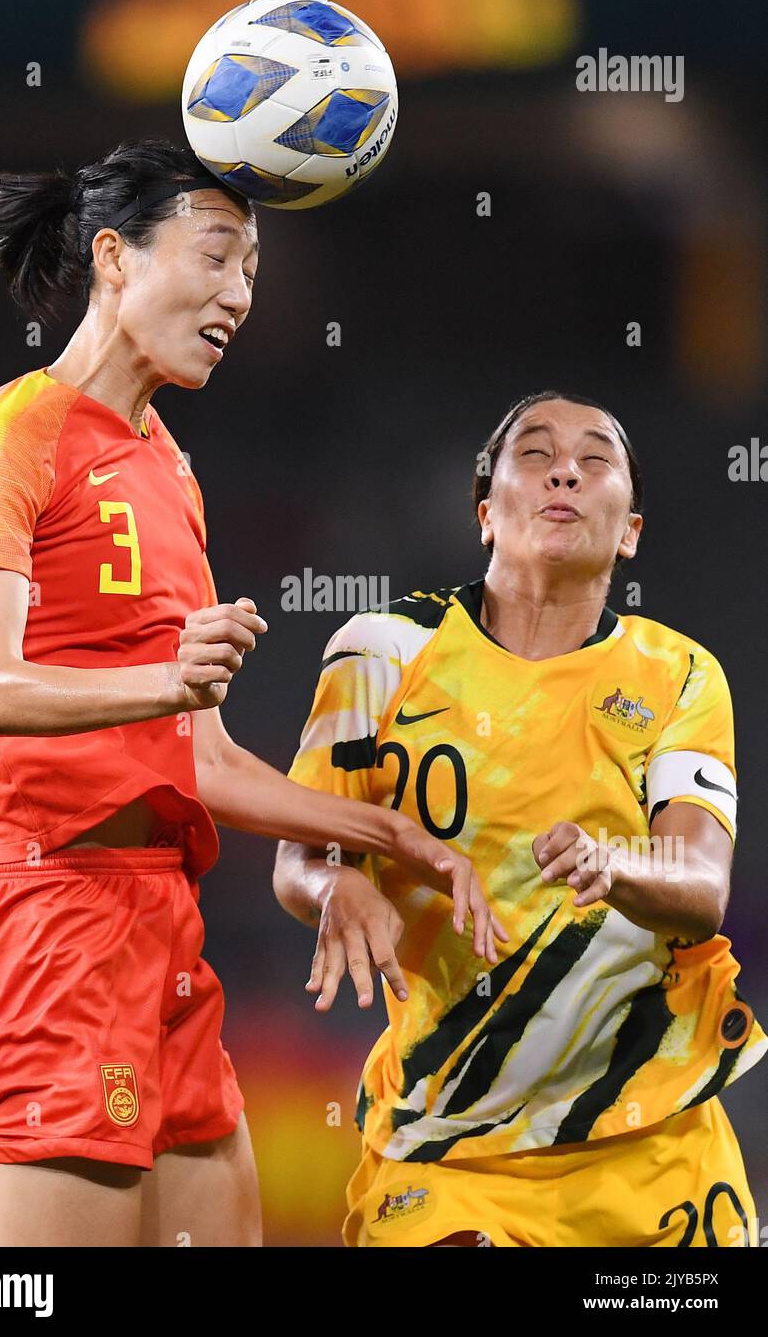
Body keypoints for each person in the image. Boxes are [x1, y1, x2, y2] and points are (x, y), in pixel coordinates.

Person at [0, 139, 493, 1248]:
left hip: (163, 928)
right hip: (51, 925)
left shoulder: (169, 468)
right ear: (115, 258)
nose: (236, 295)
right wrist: (162, 680)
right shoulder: (6, 439)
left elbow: (209, 759)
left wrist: (396, 840)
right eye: (218, 255)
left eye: (254, 275)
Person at [275, 390, 767, 1248]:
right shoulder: (379, 655)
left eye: (596, 458)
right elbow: (297, 859)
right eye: (534, 454)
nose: (565, 470)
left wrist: (614, 867)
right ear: (484, 515)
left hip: (651, 1142)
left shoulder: (682, 676)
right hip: (449, 1145)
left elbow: (701, 886)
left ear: (630, 533)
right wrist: (333, 886)